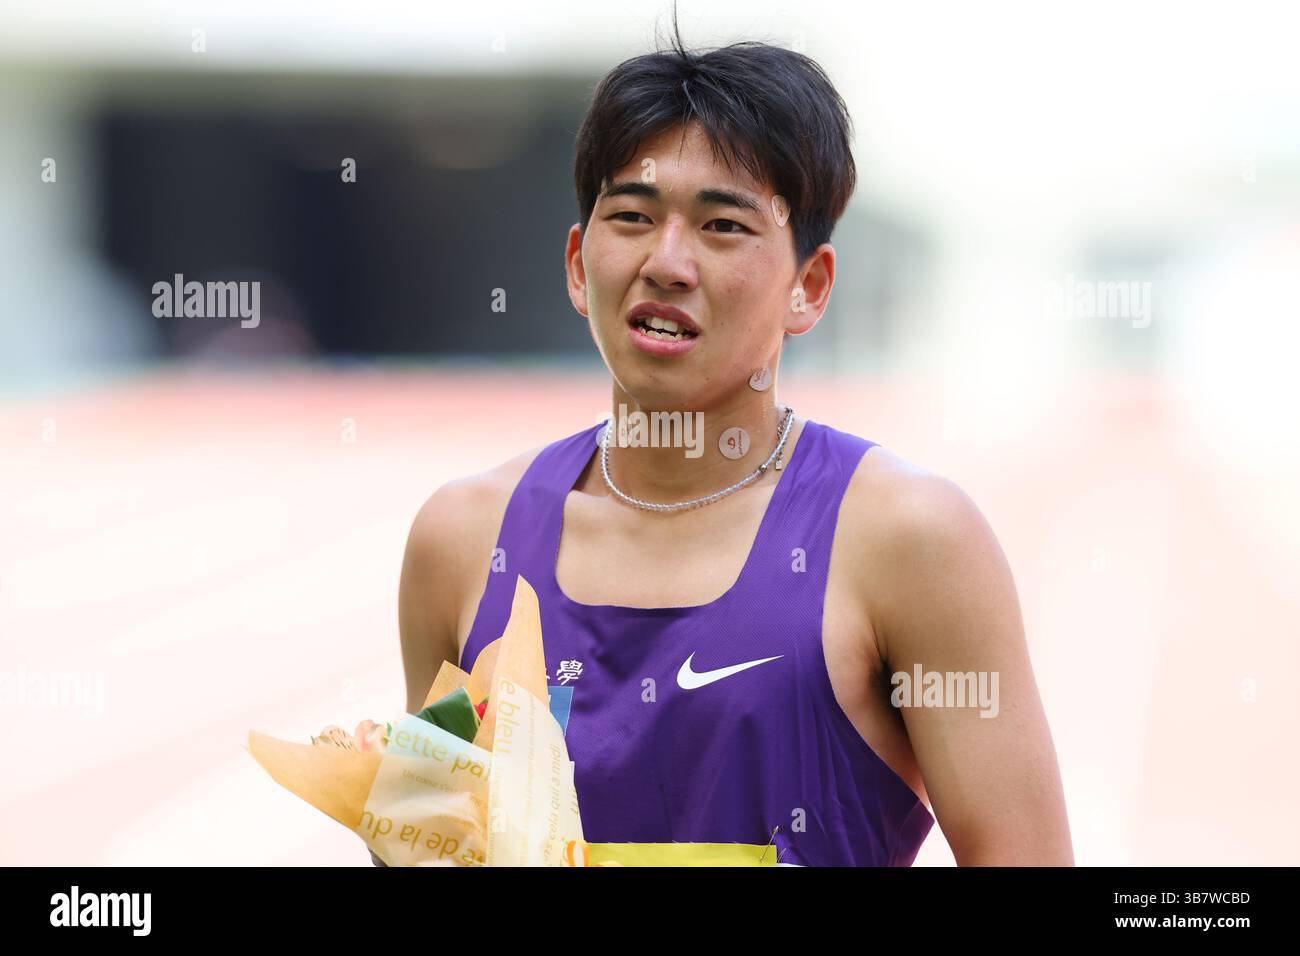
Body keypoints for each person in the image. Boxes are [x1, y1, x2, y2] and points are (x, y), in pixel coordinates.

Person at [391, 17, 1072, 866]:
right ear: (577, 264)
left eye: (723, 227)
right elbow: (424, 843)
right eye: (633, 216)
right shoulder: (461, 542)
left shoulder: (910, 541)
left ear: (808, 286)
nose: (668, 262)